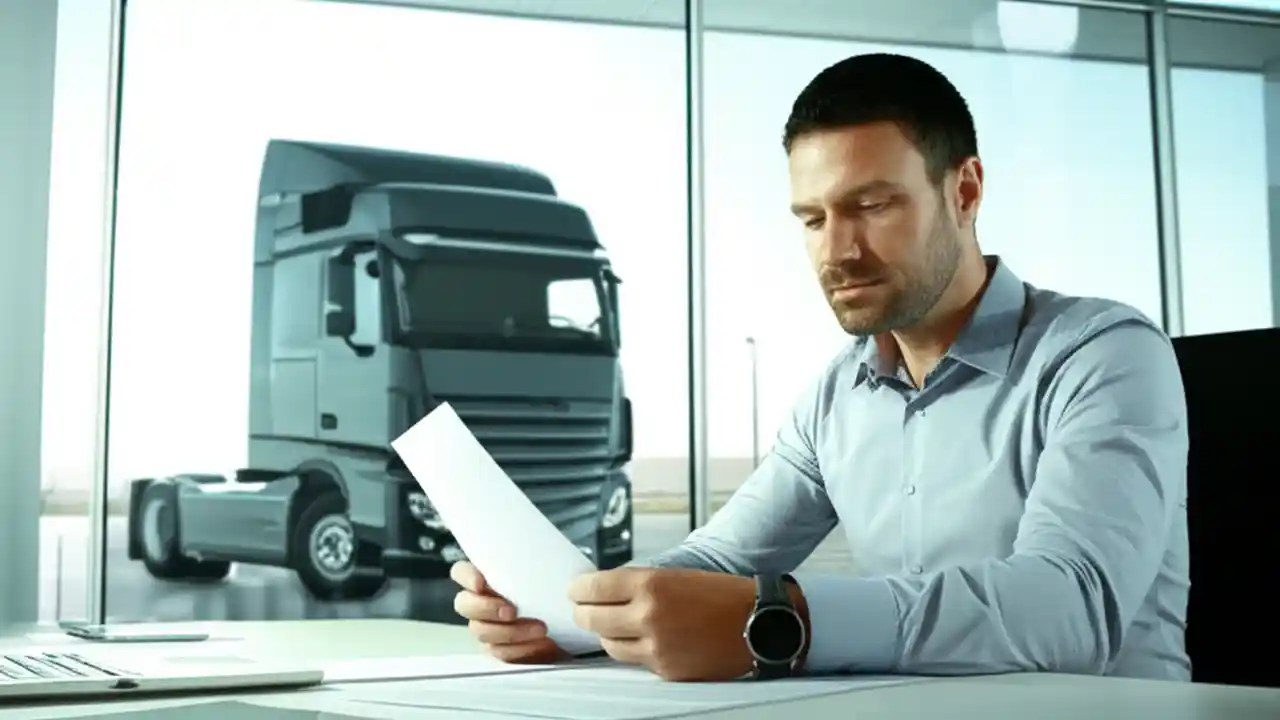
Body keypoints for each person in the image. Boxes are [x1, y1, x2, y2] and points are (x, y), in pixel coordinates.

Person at [451, 52, 1190, 683]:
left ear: (963, 192)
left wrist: (784, 619)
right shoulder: (837, 397)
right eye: (813, 218)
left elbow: (1072, 606)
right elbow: (718, 559)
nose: (836, 252)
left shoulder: (1104, 354)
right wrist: (579, 614)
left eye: (871, 205)